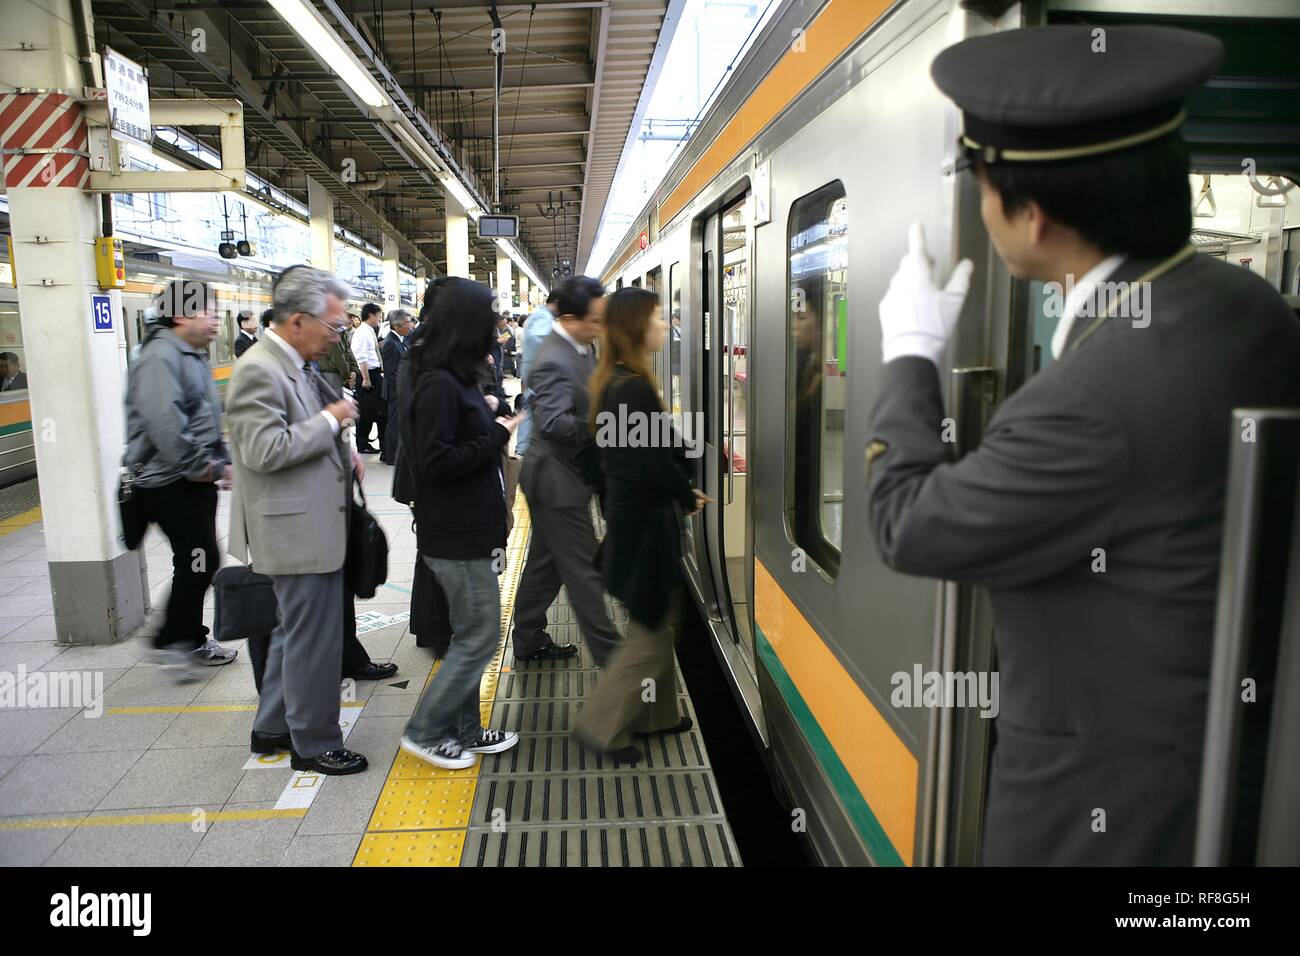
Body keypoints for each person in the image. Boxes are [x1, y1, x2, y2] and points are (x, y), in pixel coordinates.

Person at [865, 25, 1300, 866]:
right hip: (1218, 793)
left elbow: (905, 524)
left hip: (1105, 822)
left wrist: (912, 355)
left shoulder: (1091, 403)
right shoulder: (1248, 307)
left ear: (1031, 214)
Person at [226, 265, 369, 776]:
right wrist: (333, 419)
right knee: (314, 642)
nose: (337, 337)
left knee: (293, 632)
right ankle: (314, 743)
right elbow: (265, 450)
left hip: (306, 524)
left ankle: (271, 726)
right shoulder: (259, 369)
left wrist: (340, 447)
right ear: (298, 321)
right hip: (294, 530)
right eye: (333, 327)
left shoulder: (290, 364)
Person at [572, 288, 709, 763]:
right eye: (656, 318)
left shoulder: (613, 380)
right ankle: (601, 726)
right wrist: (684, 492)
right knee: (650, 633)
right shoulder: (632, 387)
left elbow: (616, 455)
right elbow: (651, 461)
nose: (664, 325)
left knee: (658, 622)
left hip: (632, 519)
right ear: (635, 327)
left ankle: (659, 715)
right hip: (646, 527)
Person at [399, 277, 524, 769]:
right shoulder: (436, 383)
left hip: (472, 529)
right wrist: (495, 432)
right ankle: (426, 731)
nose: (495, 328)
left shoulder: (451, 374)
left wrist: (489, 413)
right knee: (479, 638)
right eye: (487, 318)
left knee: (472, 635)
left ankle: (468, 729)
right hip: (456, 534)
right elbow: (436, 462)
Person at [122, 279, 238, 678]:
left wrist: (218, 461)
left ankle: (185, 637)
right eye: (207, 313)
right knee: (199, 562)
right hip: (170, 482)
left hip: (189, 479)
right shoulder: (160, 357)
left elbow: (202, 416)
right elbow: (166, 424)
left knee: (197, 561)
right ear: (181, 314)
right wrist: (202, 467)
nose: (215, 323)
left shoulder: (188, 354)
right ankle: (173, 642)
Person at [512, 276, 621, 664]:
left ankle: (527, 637)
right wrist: (606, 424)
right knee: (583, 574)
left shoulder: (581, 347)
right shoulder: (553, 358)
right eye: (595, 320)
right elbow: (556, 424)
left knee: (545, 565)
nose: (600, 327)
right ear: (571, 317)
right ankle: (618, 669)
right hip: (555, 482)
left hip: (565, 476)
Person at [514, 291, 558, 456]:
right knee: (532, 410)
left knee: (529, 410)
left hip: (534, 374)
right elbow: (539, 338)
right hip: (538, 375)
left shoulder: (540, 316)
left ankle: (523, 450)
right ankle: (524, 451)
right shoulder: (542, 317)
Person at [350, 303, 387, 455]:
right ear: (371, 315)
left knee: (375, 410)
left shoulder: (368, 331)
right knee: (366, 411)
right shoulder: (363, 332)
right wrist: (365, 378)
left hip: (373, 374)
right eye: (378, 316)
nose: (379, 319)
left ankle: (367, 443)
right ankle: (362, 444)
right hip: (368, 375)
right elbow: (361, 356)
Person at [379, 309, 413, 465]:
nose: (410, 325)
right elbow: (391, 372)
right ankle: (391, 456)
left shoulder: (401, 341)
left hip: (401, 389)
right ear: (396, 325)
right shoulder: (391, 343)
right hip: (395, 391)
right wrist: (402, 390)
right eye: (407, 322)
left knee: (397, 422)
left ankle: (391, 453)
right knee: (394, 423)